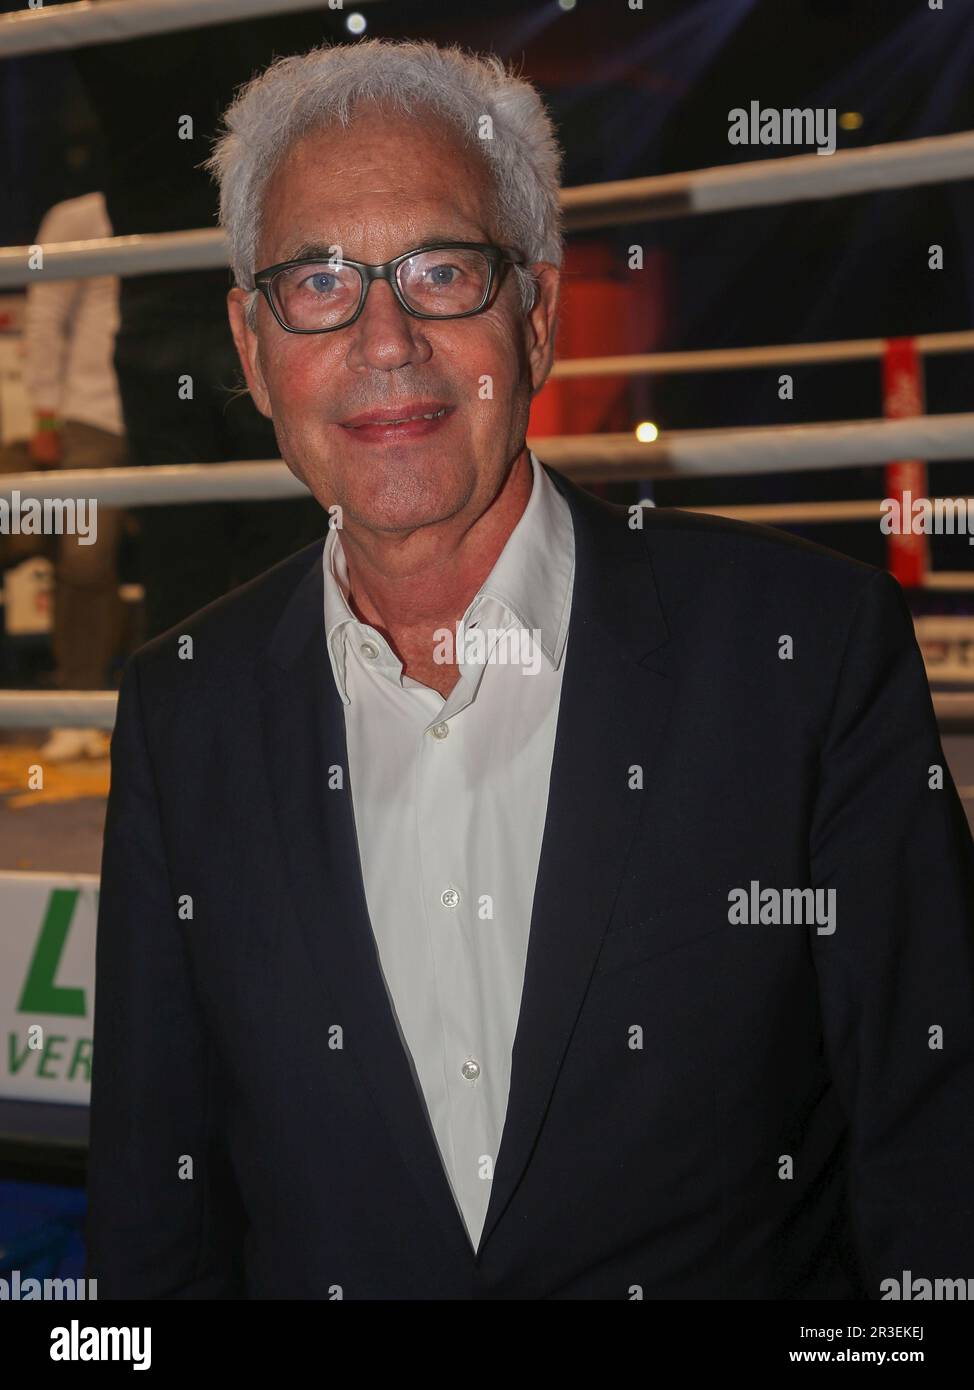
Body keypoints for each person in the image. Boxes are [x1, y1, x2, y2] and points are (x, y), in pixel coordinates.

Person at [85, 39, 974, 1300]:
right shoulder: (183, 709)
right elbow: (151, 1210)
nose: (384, 341)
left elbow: (935, 1158)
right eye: (321, 282)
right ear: (249, 343)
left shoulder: (805, 657)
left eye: (441, 270)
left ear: (538, 315)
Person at [23, 192, 126, 760]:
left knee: (184, 560)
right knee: (85, 559)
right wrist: (44, 412)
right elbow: (44, 312)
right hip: (92, 415)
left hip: (178, 408)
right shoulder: (75, 216)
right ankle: (74, 707)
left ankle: (167, 711)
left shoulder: (189, 200)